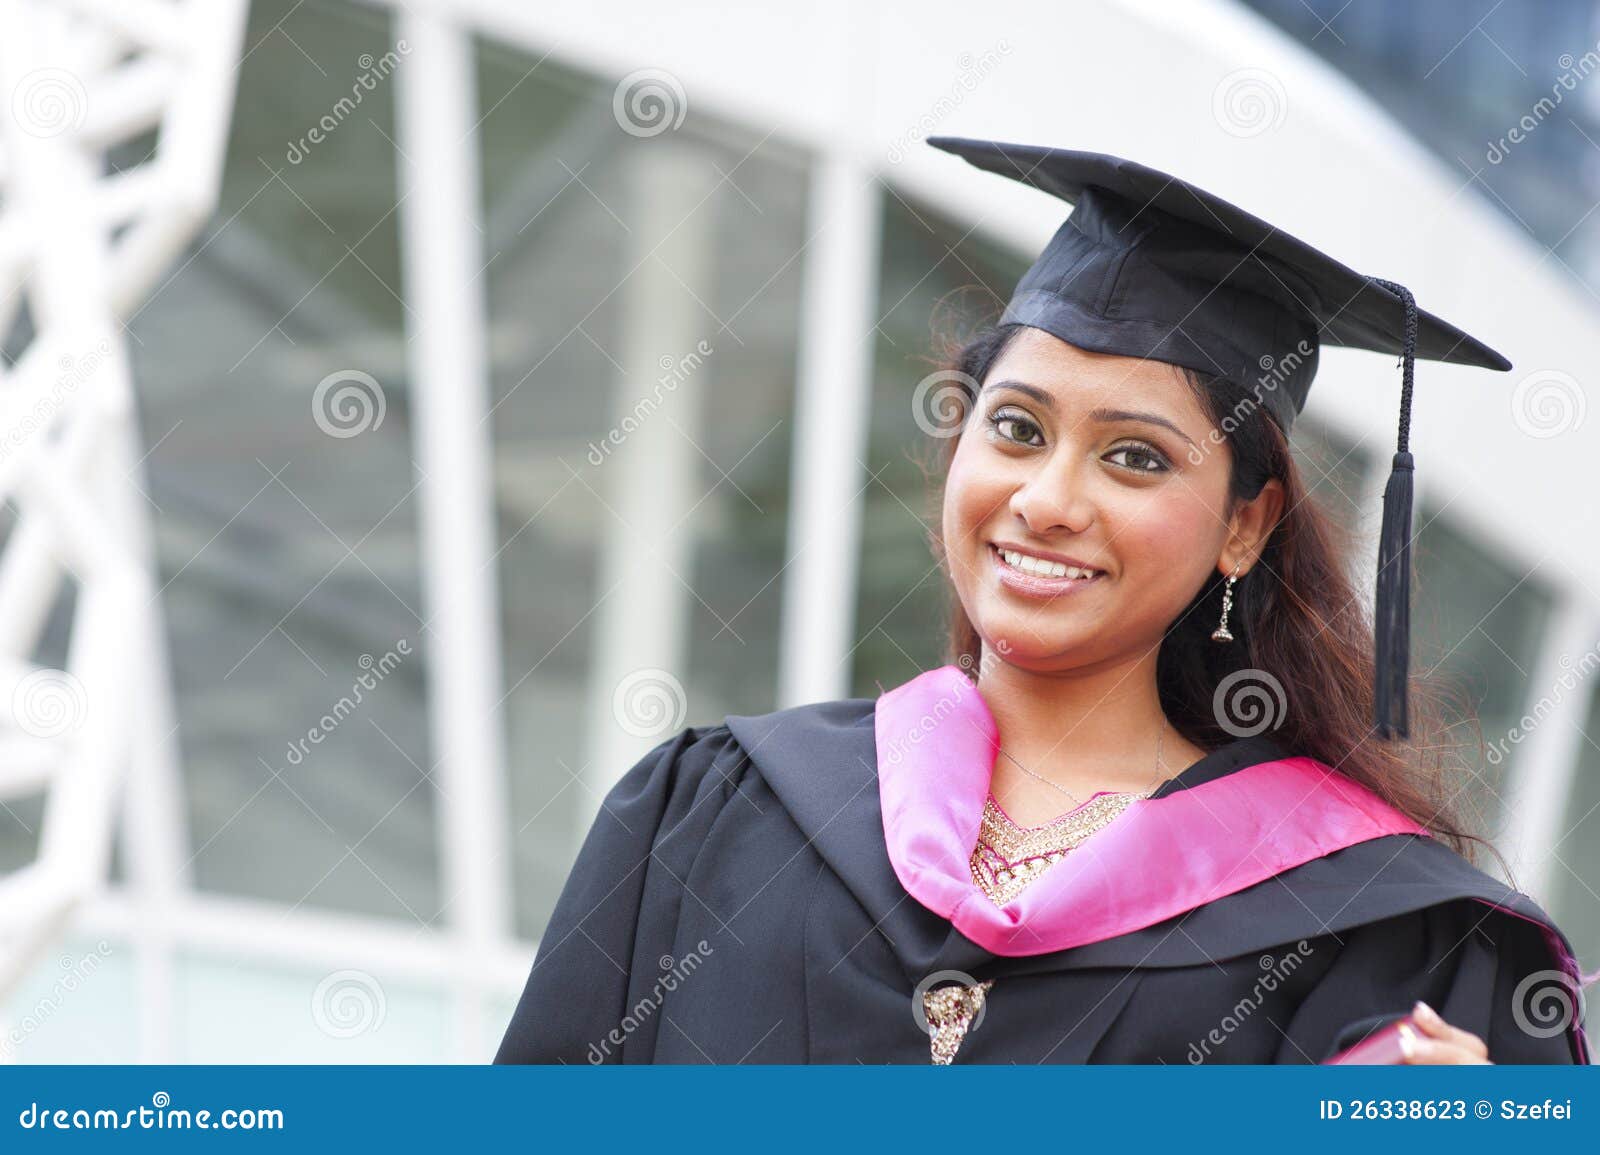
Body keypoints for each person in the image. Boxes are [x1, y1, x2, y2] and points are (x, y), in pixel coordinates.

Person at [495, 138, 1592, 1065]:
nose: (1048, 500)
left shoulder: (1378, 936)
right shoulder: (717, 810)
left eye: (1134, 458)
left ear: (1243, 526)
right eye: (1016, 429)